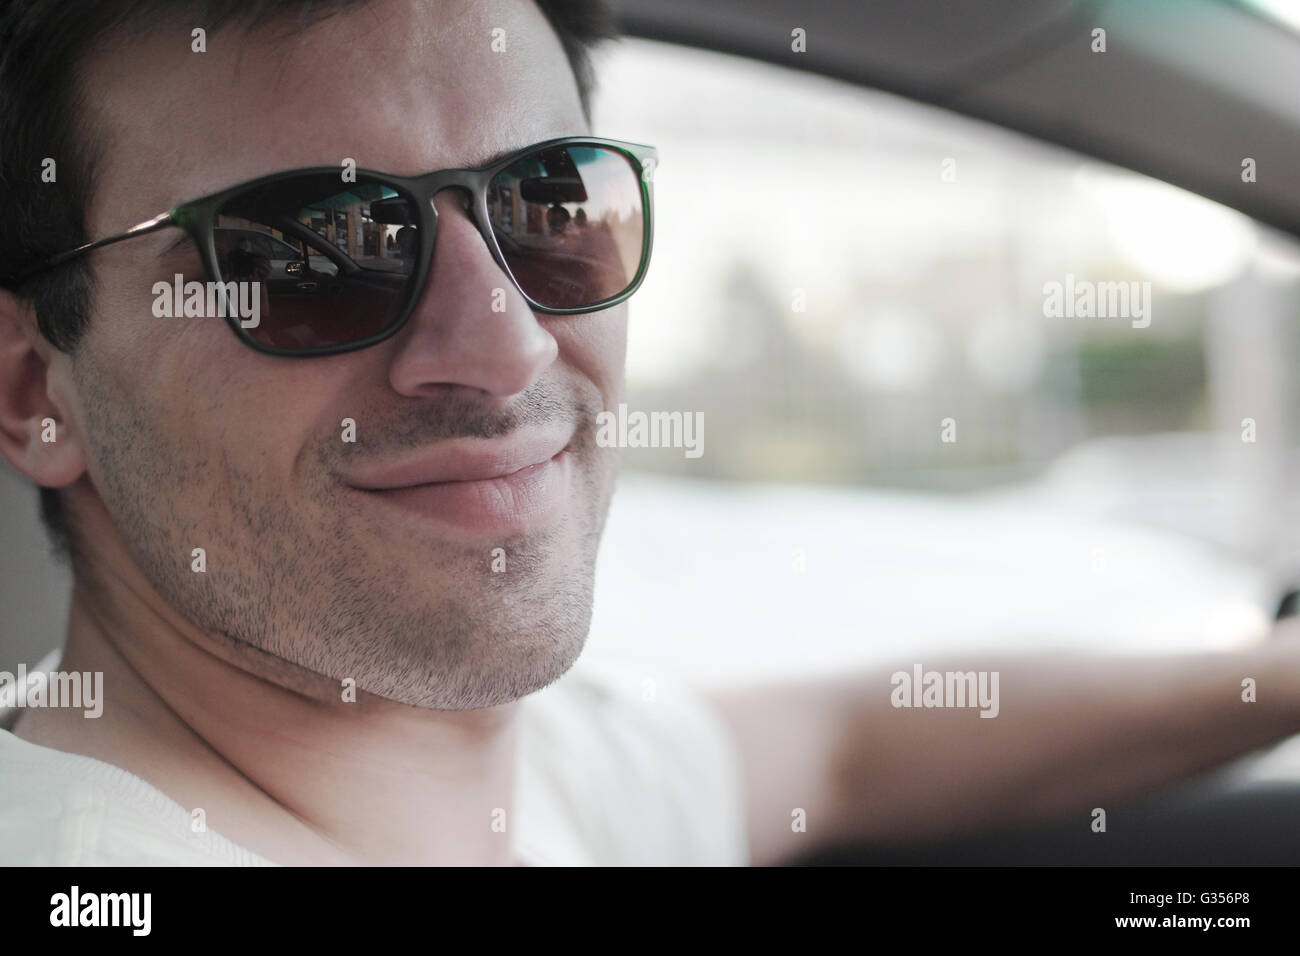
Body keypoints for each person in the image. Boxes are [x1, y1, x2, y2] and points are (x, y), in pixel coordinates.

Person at [0, 0, 1297, 868]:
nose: (501, 342)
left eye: (550, 207)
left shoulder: (516, 784)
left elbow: (847, 745)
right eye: (311, 252)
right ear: (30, 387)